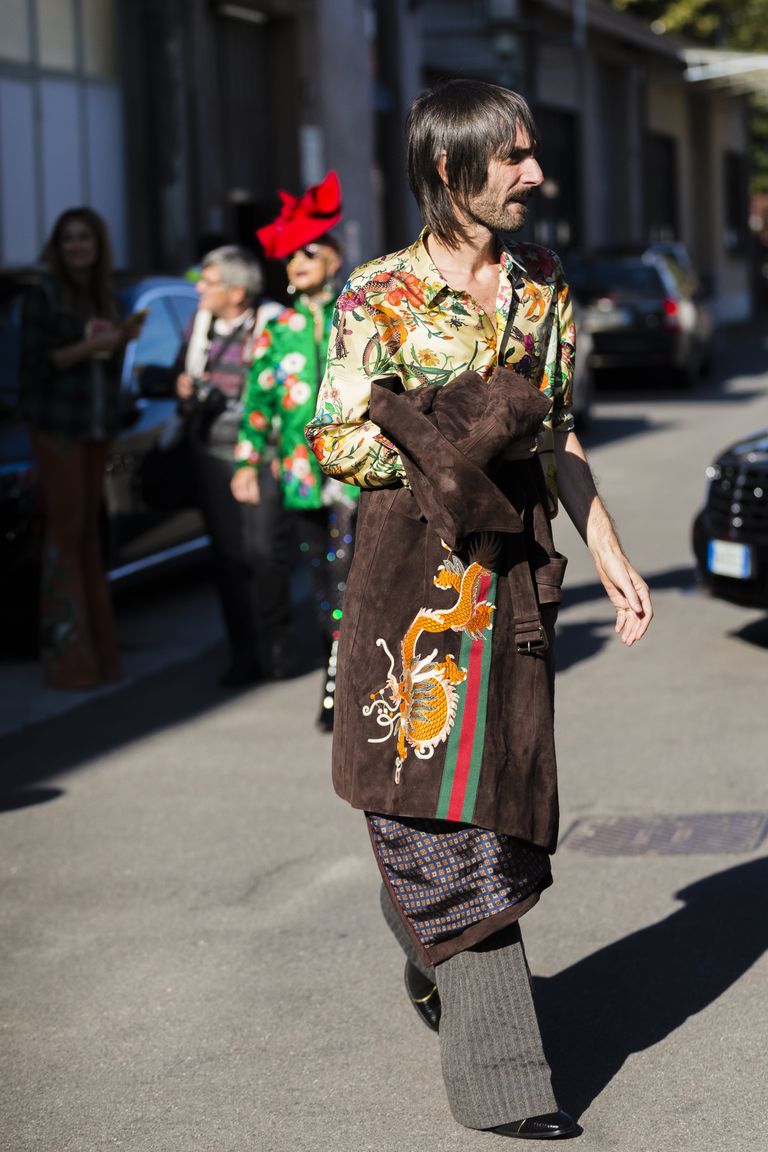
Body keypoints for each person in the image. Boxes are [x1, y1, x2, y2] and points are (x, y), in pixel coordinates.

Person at [306, 80, 653, 1140]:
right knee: (428, 823)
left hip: (510, 579)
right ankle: (507, 1086)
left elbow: (558, 434)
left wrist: (609, 549)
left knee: (498, 811)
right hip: (407, 588)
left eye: (533, 153)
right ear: (452, 171)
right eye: (514, 159)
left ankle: (426, 937)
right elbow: (336, 440)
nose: (537, 175)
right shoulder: (375, 293)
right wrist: (460, 433)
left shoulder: (544, 285)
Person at [231, 172, 357, 729]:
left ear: (333, 257)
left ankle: (340, 681)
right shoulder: (274, 328)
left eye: (310, 253)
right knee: (322, 575)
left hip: (357, 469)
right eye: (292, 258)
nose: (299, 264)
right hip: (301, 472)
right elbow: (257, 401)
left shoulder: (358, 312)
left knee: (351, 572)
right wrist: (245, 460)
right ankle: (336, 667)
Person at [19, 206, 144, 689]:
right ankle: (68, 662)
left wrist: (117, 341)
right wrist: (99, 345)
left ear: (97, 247)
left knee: (89, 538)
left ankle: (103, 659)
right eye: (69, 239)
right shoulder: (42, 297)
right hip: (57, 428)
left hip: (95, 427)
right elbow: (40, 363)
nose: (77, 246)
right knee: (66, 539)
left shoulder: (104, 296)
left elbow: (105, 365)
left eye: (85, 239)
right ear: (57, 245)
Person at [175, 245, 289, 687]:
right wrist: (182, 385)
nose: (199, 289)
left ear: (238, 292)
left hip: (262, 454)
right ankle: (243, 655)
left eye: (208, 281)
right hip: (211, 453)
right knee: (227, 559)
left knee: (264, 553)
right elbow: (177, 378)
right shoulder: (199, 325)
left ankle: (278, 646)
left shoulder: (275, 323)